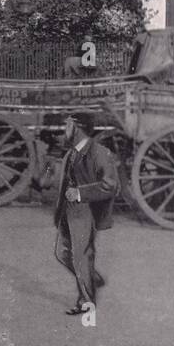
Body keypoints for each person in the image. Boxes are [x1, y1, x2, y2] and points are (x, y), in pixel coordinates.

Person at [53, 110, 119, 315]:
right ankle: (92, 279)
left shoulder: (99, 153)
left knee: (81, 256)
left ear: (77, 127)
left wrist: (81, 193)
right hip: (68, 210)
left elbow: (110, 186)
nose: (65, 130)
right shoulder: (71, 152)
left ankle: (86, 302)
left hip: (85, 210)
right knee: (61, 253)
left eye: (67, 125)